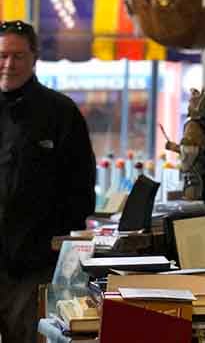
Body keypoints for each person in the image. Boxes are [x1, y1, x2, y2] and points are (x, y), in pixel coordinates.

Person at [0, 20, 96, 343]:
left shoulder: (60, 112)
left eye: (18, 56)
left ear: (34, 58)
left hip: (36, 268)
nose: (9, 64)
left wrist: (52, 247)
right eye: (2, 55)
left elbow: (82, 189)